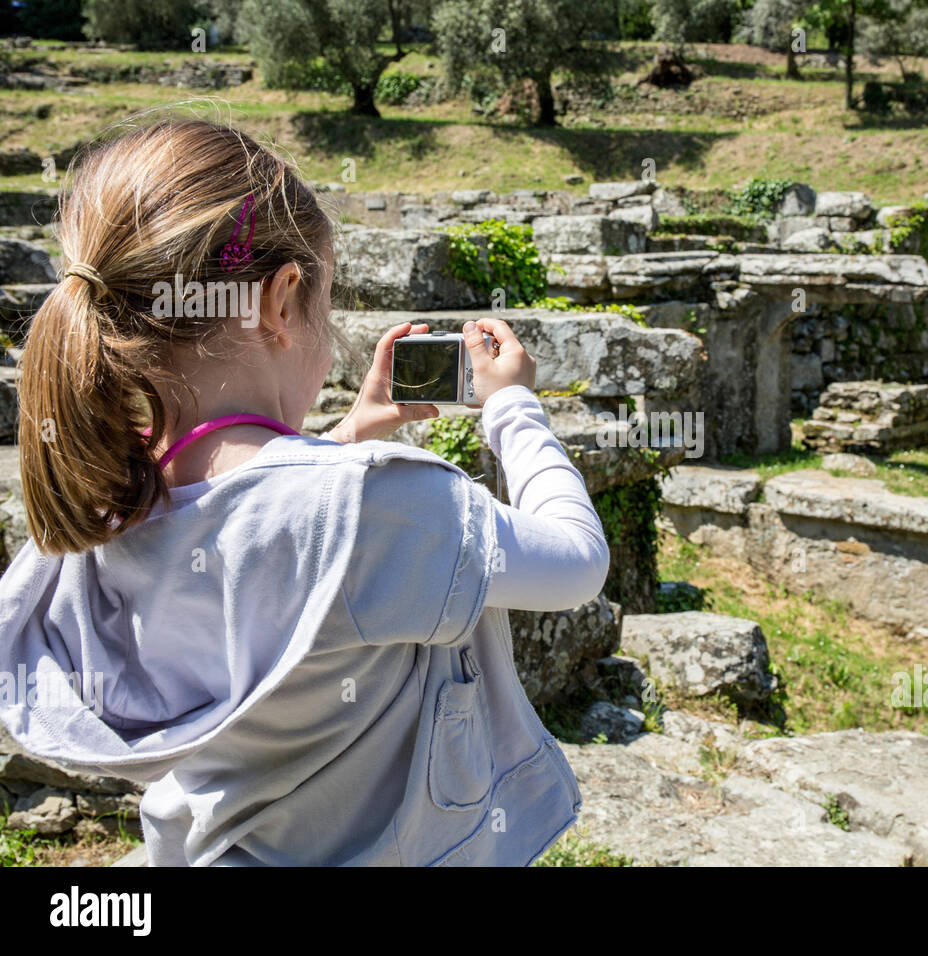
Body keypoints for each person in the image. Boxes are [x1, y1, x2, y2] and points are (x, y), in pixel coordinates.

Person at [0, 117, 610, 866]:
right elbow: (578, 562)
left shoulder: (104, 509)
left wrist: (348, 439)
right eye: (322, 305)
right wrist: (514, 408)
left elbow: (261, 522)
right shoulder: (379, 508)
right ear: (280, 302)